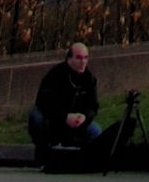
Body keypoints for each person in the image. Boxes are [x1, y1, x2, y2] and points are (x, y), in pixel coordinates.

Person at [29, 42, 111, 173]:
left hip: (78, 120)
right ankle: (43, 156)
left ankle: (85, 161)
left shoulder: (90, 79)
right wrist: (64, 117)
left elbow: (93, 107)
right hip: (55, 119)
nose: (83, 62)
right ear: (69, 59)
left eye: (85, 58)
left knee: (95, 131)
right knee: (36, 117)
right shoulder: (55, 75)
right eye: (78, 58)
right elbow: (43, 103)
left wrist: (84, 117)